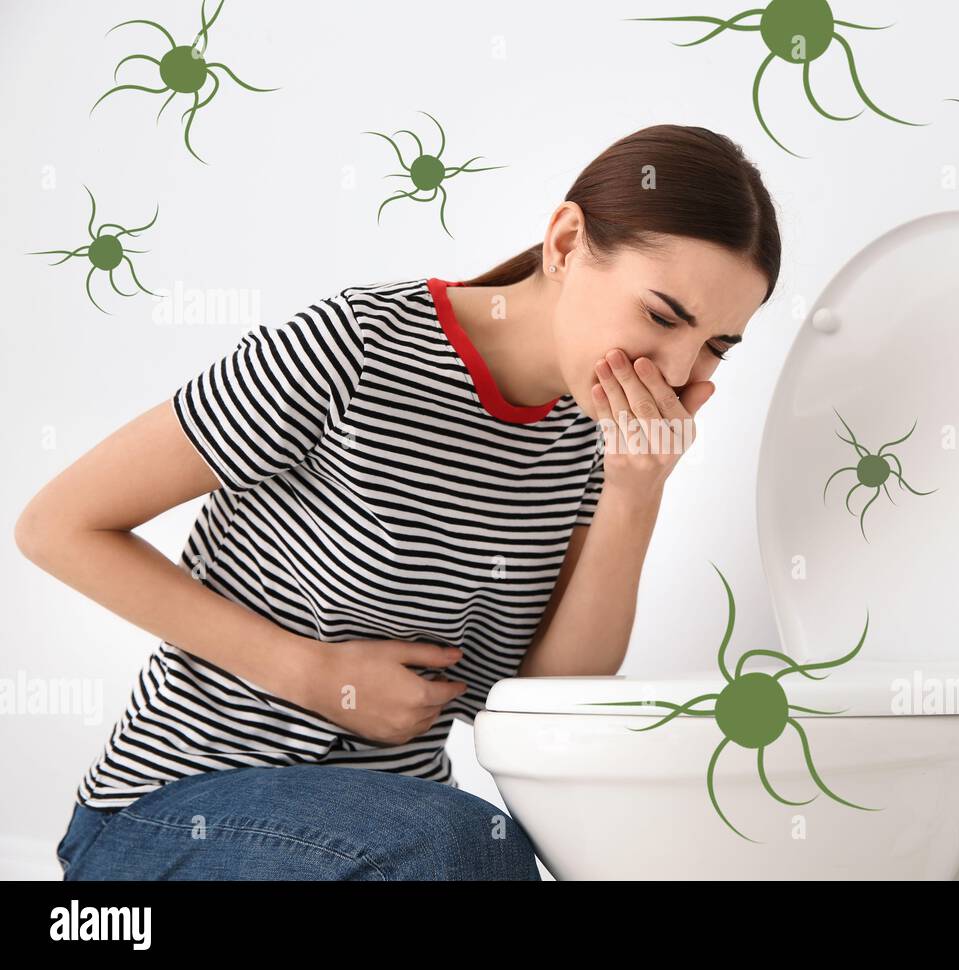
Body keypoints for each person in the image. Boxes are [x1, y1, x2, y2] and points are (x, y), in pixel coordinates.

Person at [16, 123, 783, 880]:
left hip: (375, 840)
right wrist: (311, 673)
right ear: (565, 243)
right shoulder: (352, 347)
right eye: (662, 316)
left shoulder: (593, 437)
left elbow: (548, 699)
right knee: (465, 844)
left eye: (717, 346)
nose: (678, 370)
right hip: (168, 814)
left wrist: (635, 492)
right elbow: (58, 526)